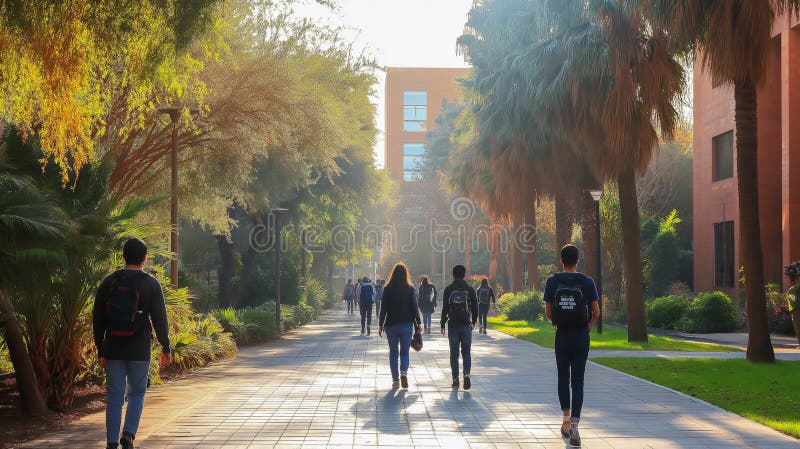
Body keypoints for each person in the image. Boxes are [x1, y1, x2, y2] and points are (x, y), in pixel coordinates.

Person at [92, 238, 170, 449]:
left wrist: (100, 348)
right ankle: (128, 434)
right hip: (139, 348)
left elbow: (97, 318)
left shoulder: (109, 281)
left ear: (123, 256)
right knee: (137, 392)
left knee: (115, 395)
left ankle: (111, 443)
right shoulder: (151, 283)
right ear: (144, 258)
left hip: (113, 347)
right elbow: (160, 319)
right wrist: (166, 347)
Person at [543, 244, 600, 448]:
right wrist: (588, 327)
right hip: (581, 336)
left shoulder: (552, 281)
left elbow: (549, 312)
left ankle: (565, 421)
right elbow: (596, 312)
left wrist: (560, 320)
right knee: (578, 380)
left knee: (562, 377)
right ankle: (575, 424)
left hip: (562, 336)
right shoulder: (587, 282)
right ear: (577, 260)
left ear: (561, 260)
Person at [378, 263, 422, 389]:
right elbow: (414, 307)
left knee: (393, 353)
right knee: (404, 353)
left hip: (391, 325)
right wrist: (418, 323)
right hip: (406, 325)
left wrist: (381, 324)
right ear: (405, 274)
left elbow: (383, 308)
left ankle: (395, 381)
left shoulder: (387, 289)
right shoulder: (409, 289)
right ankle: (403, 372)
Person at [440, 264, 478, 390]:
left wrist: (442, 323)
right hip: (466, 325)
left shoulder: (449, 289)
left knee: (454, 354)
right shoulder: (470, 289)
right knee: (466, 353)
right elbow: (475, 307)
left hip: (453, 325)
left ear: (453, 275)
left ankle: (455, 380)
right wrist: (474, 321)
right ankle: (466, 374)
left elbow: (445, 308)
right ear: (464, 275)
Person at [784, 261, 800, 348]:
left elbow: (792, 300)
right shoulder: (794, 289)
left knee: (798, 328)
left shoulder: (793, 289)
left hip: (795, 310)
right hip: (795, 310)